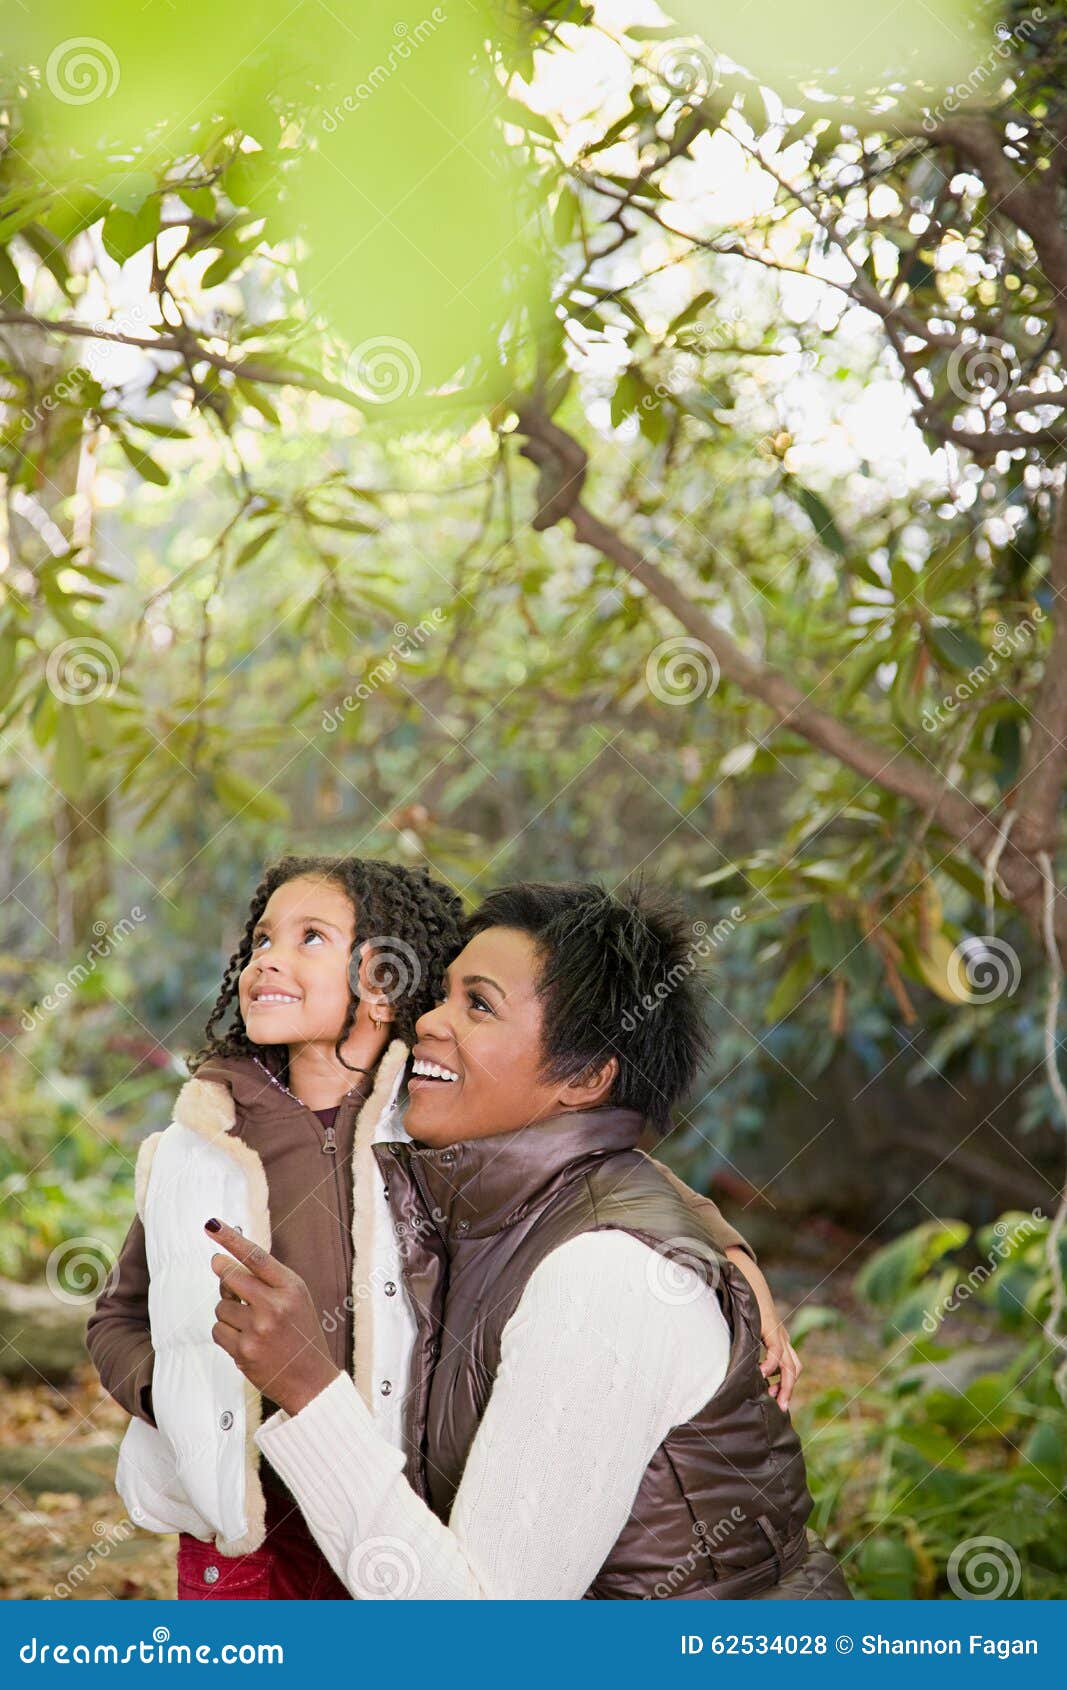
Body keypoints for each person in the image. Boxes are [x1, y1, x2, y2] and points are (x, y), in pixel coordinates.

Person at [88, 862, 779, 1599]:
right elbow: (120, 1311)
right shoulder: (203, 1144)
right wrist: (184, 1400)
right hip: (254, 1520)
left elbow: (600, 1167)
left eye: (311, 937)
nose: (269, 957)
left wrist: (726, 1256)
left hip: (378, 1504)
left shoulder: (415, 1125)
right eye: (261, 938)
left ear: (381, 983)